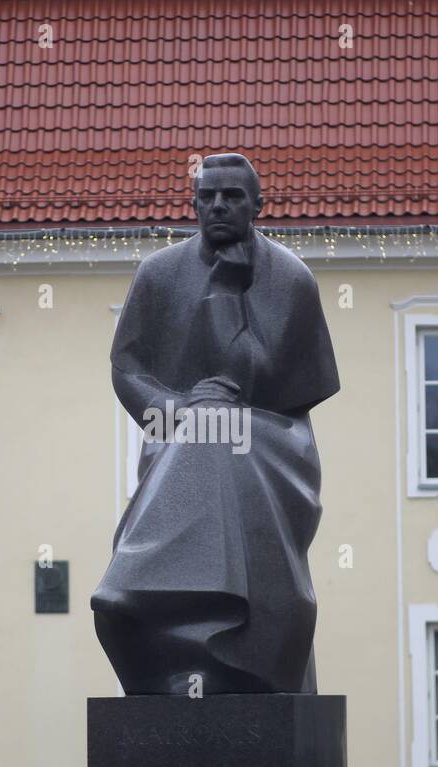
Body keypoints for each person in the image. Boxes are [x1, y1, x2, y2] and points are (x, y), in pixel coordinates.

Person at [90, 153, 340, 694]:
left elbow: (268, 381)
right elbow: (127, 368)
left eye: (232, 196)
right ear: (194, 203)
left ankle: (140, 589)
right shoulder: (158, 273)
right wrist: (178, 411)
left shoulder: (290, 279)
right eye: (208, 196)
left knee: (222, 431)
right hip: (176, 436)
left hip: (274, 441)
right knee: (207, 432)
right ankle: (176, 622)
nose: (219, 206)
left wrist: (227, 292)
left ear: (258, 205)